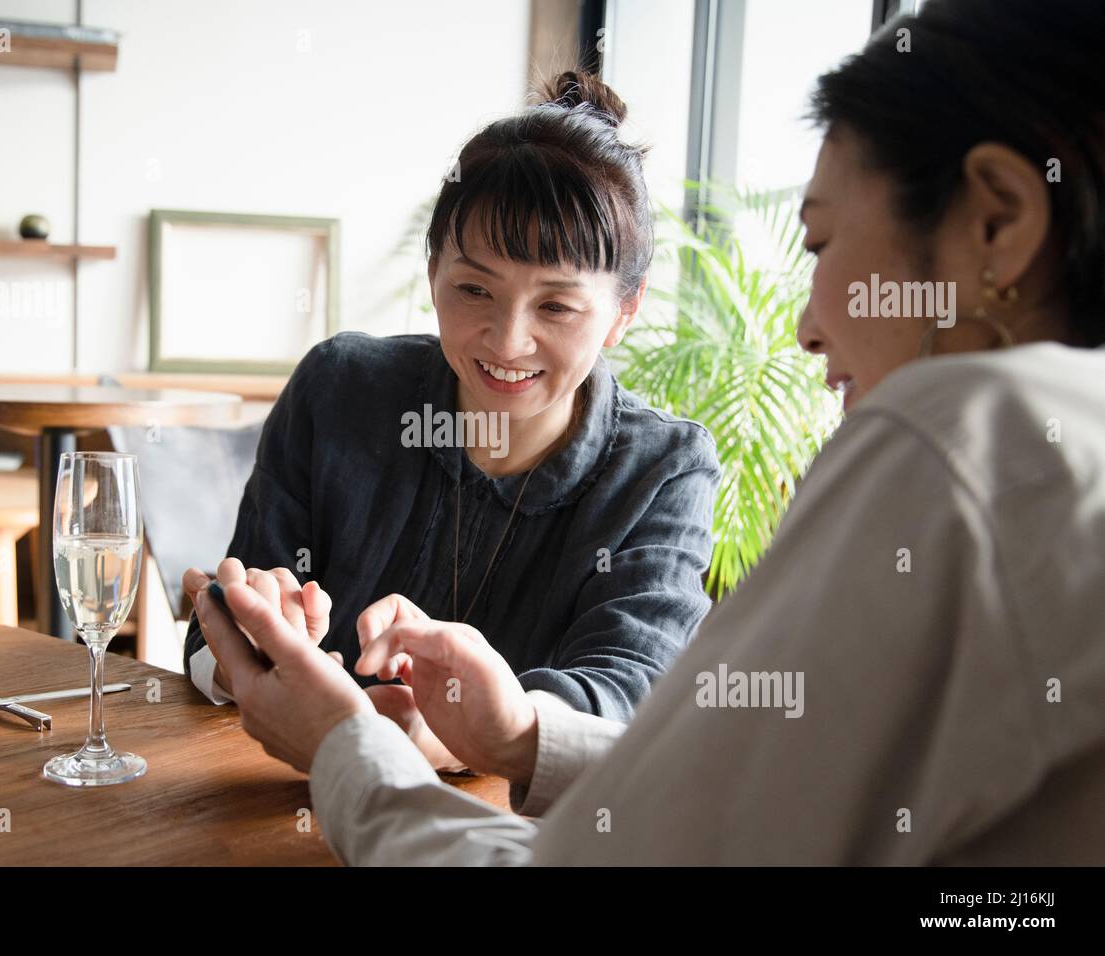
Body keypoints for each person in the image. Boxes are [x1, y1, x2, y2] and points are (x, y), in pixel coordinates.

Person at [190, 0, 1105, 864]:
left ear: (999, 219)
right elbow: (745, 801)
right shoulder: (1063, 442)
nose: (806, 324)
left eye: (820, 244)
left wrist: (344, 744)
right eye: (474, 288)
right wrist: (517, 733)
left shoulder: (967, 442)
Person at [182, 73, 722, 768]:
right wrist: (255, 641)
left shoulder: (661, 470)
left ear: (625, 309)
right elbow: (213, 643)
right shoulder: (341, 391)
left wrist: (423, 739)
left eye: (556, 307)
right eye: (474, 290)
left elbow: (624, 702)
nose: (506, 341)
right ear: (433, 270)